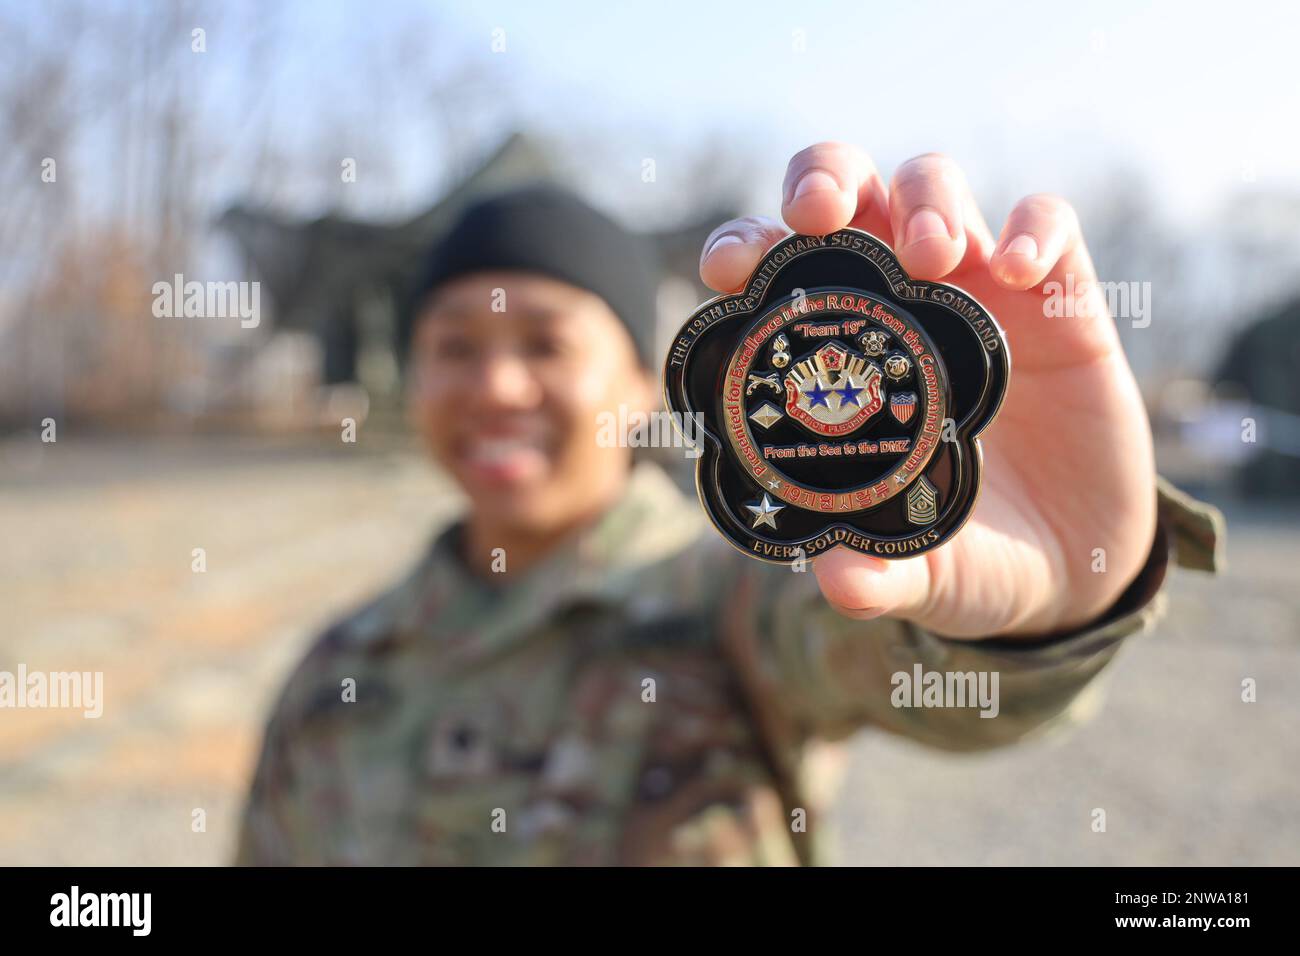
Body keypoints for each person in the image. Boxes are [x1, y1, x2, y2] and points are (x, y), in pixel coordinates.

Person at [235, 143, 1223, 866]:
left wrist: (1071, 581)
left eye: (543, 343)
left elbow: (918, 675)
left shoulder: (737, 592)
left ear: (642, 383)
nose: (494, 386)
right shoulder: (343, 666)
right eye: (454, 347)